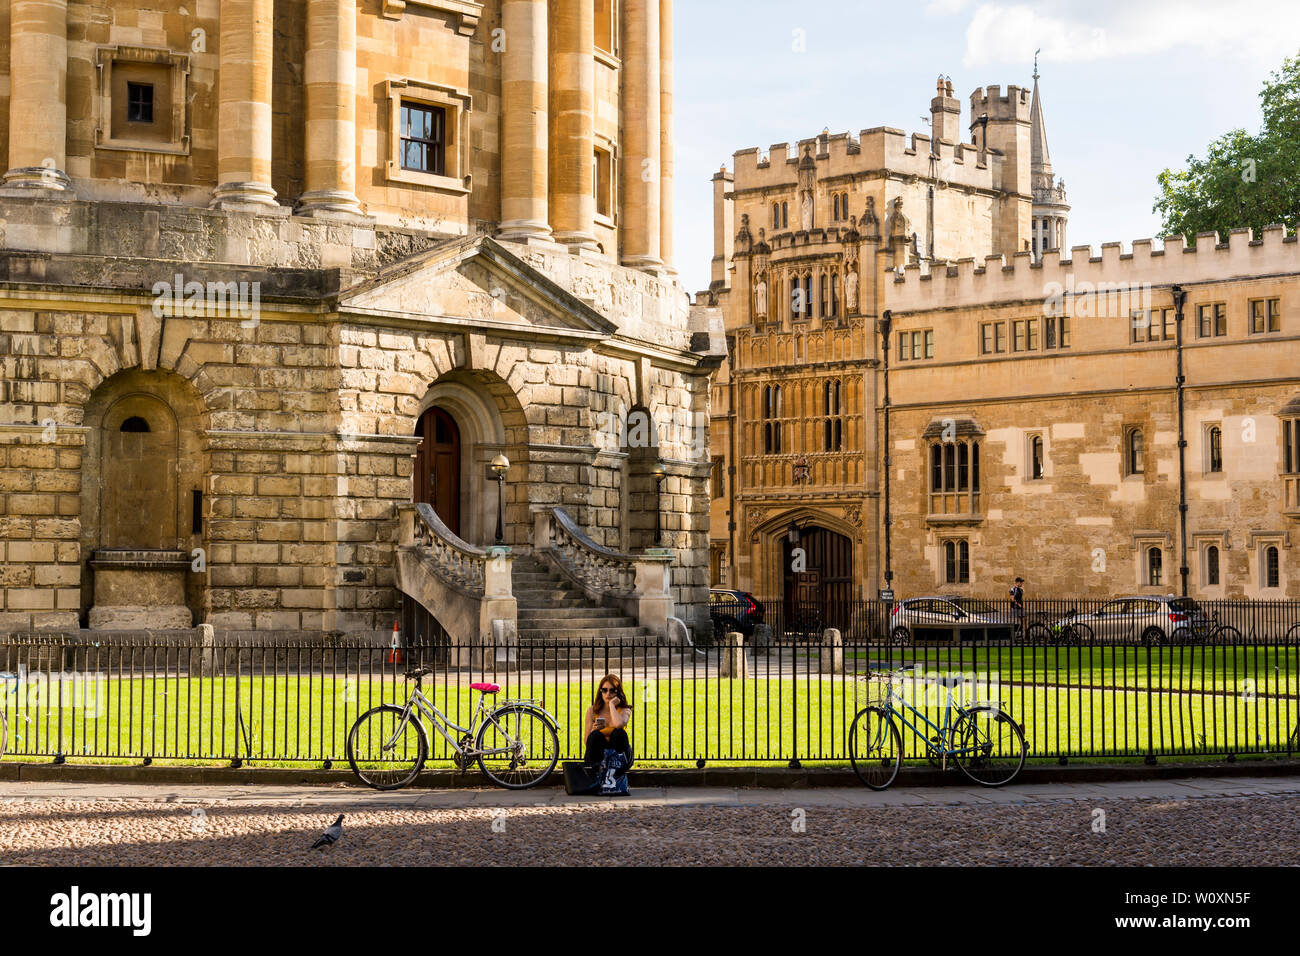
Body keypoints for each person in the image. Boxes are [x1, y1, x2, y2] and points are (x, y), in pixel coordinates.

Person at [583, 673, 633, 772]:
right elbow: (586, 742)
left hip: (619, 752)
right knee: (595, 736)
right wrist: (593, 730)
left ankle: (616, 769)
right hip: (598, 753)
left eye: (612, 690)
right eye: (604, 690)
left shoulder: (624, 710)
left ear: (618, 692)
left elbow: (619, 724)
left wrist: (611, 705)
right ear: (600, 692)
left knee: (619, 733)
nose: (608, 694)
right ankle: (597, 772)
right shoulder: (592, 711)